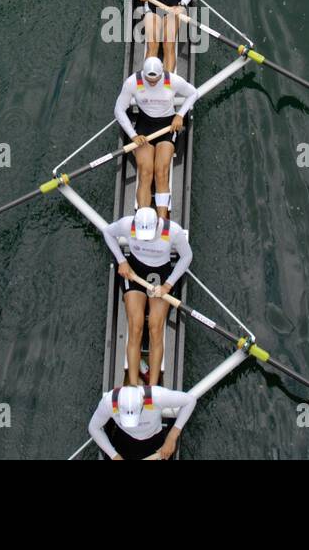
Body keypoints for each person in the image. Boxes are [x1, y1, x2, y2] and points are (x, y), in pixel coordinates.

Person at [102, 206, 192, 387]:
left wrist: (168, 285)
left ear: (157, 225)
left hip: (161, 276)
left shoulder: (172, 230)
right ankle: (133, 385)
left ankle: (152, 387)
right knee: (135, 326)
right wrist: (122, 261)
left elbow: (187, 256)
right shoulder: (127, 224)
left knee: (155, 328)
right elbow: (107, 232)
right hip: (134, 272)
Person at [114, 56, 198, 219]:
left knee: (161, 172)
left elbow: (193, 93)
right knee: (145, 173)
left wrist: (180, 115)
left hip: (167, 127)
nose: (152, 82)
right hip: (144, 128)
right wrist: (133, 135)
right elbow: (119, 109)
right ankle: (143, 219)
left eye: (156, 79)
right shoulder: (133, 82)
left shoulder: (172, 80)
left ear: (162, 74)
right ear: (143, 74)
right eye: (148, 79)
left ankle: (162, 222)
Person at [87, 382, 197, 460]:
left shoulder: (158, 396)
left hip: (154, 441)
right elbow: (93, 428)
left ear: (143, 402)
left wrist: (172, 436)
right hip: (124, 439)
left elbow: (190, 401)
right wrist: (114, 456)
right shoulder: (108, 402)